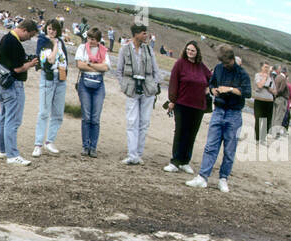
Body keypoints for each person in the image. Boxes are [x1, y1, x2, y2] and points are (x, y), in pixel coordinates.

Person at [186, 45, 251, 193]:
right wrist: (214, 89)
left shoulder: (242, 74)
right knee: (211, 146)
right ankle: (202, 177)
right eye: (223, 63)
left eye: (227, 63)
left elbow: (247, 92)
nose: (225, 66)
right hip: (218, 111)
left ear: (232, 59)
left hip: (234, 114)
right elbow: (212, 82)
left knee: (229, 150)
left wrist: (229, 89)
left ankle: (223, 179)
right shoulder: (219, 68)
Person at [115, 23, 162, 165]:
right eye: (143, 33)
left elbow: (156, 70)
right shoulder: (124, 49)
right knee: (132, 121)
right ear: (136, 34)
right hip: (131, 89)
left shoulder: (149, 50)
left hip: (147, 89)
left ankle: (138, 154)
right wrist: (124, 86)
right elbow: (119, 71)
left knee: (144, 122)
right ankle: (132, 154)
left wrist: (154, 85)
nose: (146, 35)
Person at [0, 19, 39, 165]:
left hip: (1, 83)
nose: (29, 39)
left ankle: (4, 150)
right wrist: (31, 64)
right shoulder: (15, 43)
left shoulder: (5, 38)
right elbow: (17, 69)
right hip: (13, 85)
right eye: (30, 35)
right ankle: (13, 155)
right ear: (25, 30)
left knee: (4, 117)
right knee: (12, 120)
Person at [164, 40, 208, 174]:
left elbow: (211, 78)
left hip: (198, 106)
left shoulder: (201, 66)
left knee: (191, 135)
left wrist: (209, 88)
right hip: (182, 104)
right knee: (180, 133)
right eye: (188, 49)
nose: (190, 52)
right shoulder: (180, 64)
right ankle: (175, 161)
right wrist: (172, 100)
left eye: (193, 50)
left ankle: (185, 162)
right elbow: (173, 82)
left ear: (197, 52)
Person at [31, 19, 68, 157]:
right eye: (49, 28)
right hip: (48, 78)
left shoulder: (60, 42)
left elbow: (63, 60)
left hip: (61, 79)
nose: (51, 31)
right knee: (44, 112)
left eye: (54, 29)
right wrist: (55, 45)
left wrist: (58, 44)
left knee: (58, 113)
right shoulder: (43, 41)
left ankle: (50, 141)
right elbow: (50, 60)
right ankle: (38, 144)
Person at [74, 27, 110, 157]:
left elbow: (105, 67)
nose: (90, 41)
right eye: (89, 38)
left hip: (99, 84)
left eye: (93, 39)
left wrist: (90, 64)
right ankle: (85, 146)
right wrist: (97, 66)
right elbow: (80, 65)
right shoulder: (82, 48)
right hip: (85, 83)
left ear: (98, 40)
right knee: (86, 116)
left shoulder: (104, 51)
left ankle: (93, 147)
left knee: (95, 118)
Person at [252, 62, 274, 143]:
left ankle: (263, 138)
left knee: (266, 120)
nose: (266, 69)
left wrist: (269, 87)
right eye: (265, 67)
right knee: (258, 119)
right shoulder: (258, 75)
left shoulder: (271, 77)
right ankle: (257, 138)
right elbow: (260, 86)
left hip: (269, 101)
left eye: (268, 67)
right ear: (261, 67)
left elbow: (273, 90)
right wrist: (265, 77)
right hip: (259, 100)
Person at [269, 66, 290, 140]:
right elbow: (281, 89)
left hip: (276, 98)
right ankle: (275, 133)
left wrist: (275, 94)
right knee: (279, 116)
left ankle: (271, 131)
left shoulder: (277, 77)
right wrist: (277, 93)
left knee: (274, 115)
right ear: (286, 72)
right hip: (282, 98)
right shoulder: (283, 79)